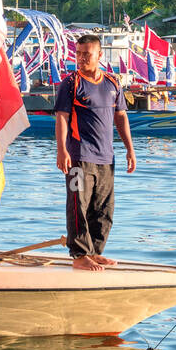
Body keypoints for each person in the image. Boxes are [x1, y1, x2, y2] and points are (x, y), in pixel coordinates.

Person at [54, 34, 136, 271]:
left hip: (106, 158)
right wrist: (62, 150)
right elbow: (62, 117)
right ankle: (80, 254)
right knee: (78, 205)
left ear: (100, 55)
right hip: (79, 155)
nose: (80, 58)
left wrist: (130, 150)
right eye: (78, 53)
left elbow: (121, 117)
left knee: (103, 210)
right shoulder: (70, 83)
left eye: (86, 54)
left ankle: (94, 251)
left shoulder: (112, 83)